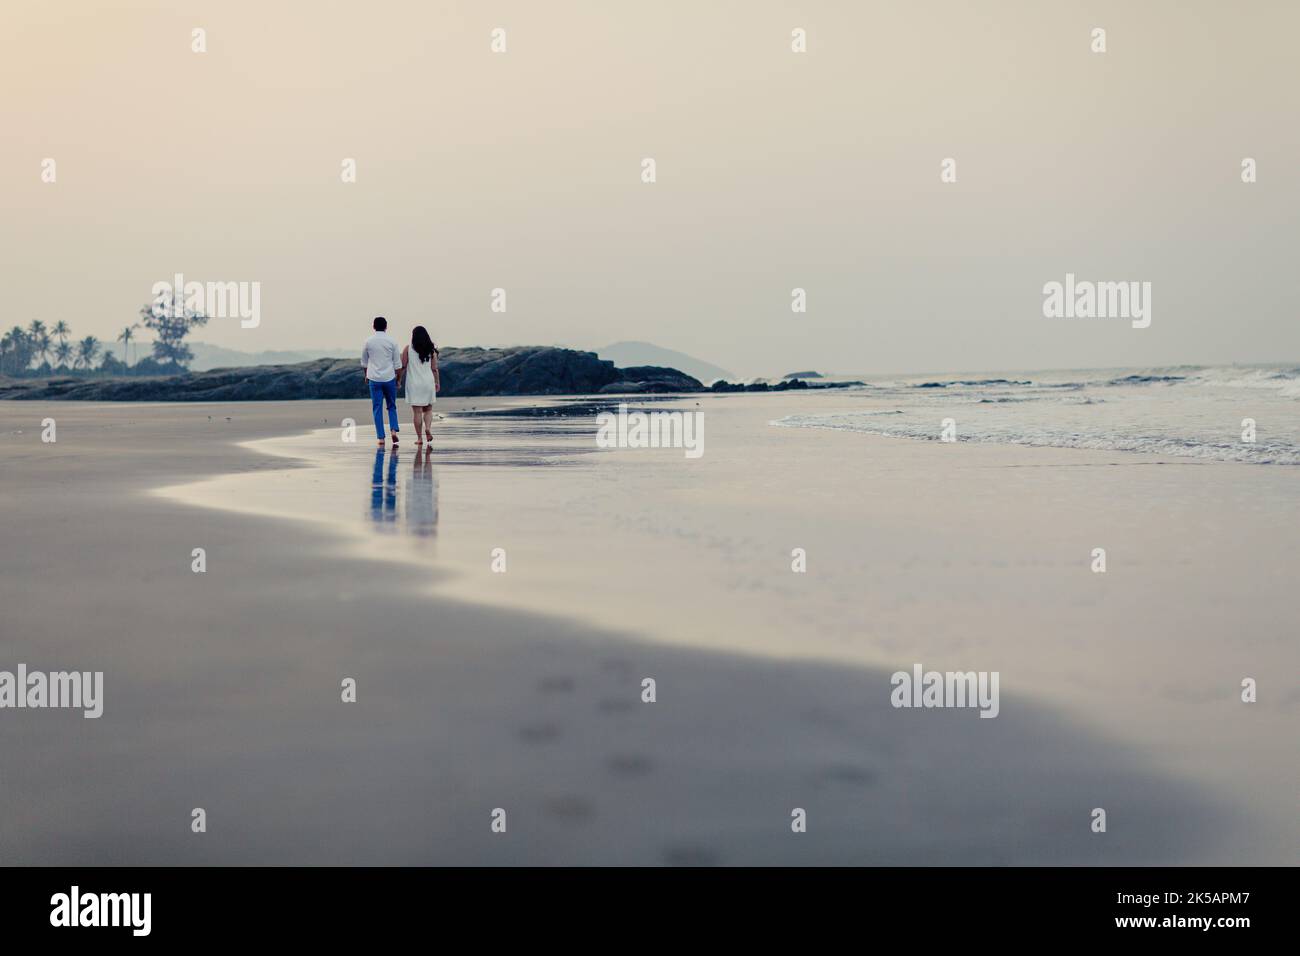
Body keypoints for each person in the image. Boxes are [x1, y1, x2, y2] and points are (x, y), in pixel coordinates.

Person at [361, 316, 402, 447]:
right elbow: (398, 365)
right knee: (391, 405)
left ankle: (381, 438)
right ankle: (394, 430)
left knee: (377, 408)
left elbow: (364, 362)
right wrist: (398, 379)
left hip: (374, 378)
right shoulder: (392, 342)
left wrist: (366, 375)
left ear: (373, 326)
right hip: (389, 377)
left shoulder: (368, 341)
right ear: (386, 326)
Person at [398, 325, 440, 445]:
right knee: (428, 410)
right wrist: (437, 382)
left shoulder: (408, 349)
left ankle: (419, 438)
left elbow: (403, 366)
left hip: (414, 384)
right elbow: (434, 369)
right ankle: (428, 428)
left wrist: (399, 380)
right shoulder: (431, 350)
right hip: (428, 382)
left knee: (417, 412)